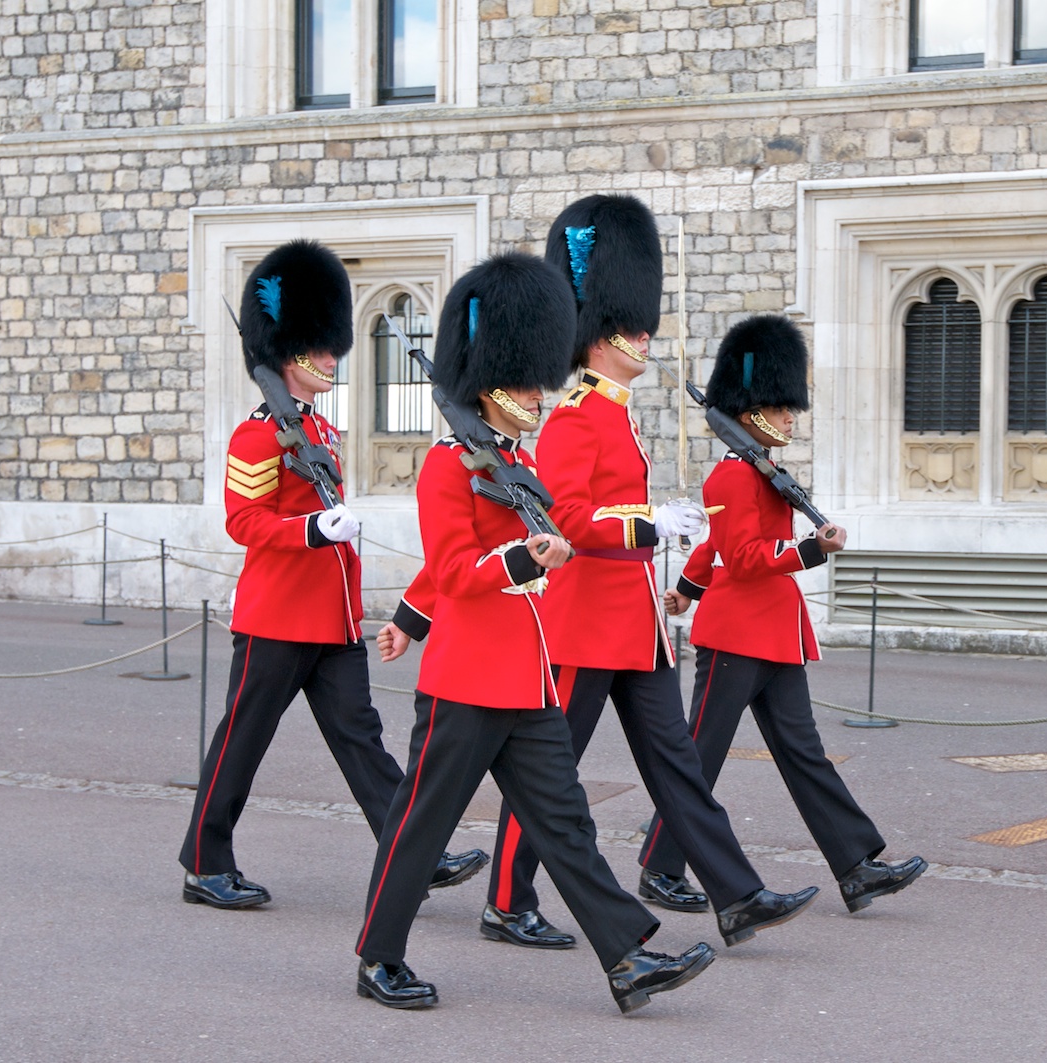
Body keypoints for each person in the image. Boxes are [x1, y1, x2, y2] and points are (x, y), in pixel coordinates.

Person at [353, 251, 714, 1014]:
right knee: (422, 825)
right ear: (487, 379)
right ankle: (378, 955)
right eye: (522, 380)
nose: (535, 392)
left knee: (567, 824)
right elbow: (452, 566)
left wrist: (410, 616)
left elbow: (470, 564)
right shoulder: (448, 464)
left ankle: (626, 957)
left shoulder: (513, 461)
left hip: (531, 675)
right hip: (468, 681)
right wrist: (523, 557)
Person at [481, 194, 818, 950]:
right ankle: (506, 898)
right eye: (630, 326)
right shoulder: (574, 416)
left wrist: (659, 526)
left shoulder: (617, 410)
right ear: (598, 334)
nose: (644, 334)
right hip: (583, 624)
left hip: (633, 625)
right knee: (550, 771)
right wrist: (648, 522)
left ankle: (738, 895)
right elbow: (565, 519)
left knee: (677, 767)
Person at [178, 239, 485, 910]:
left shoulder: (317, 429)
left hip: (331, 617)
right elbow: (244, 522)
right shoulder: (258, 435)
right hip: (277, 617)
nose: (330, 359)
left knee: (362, 736)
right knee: (243, 739)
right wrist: (312, 530)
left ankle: (413, 848)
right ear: (288, 354)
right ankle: (205, 858)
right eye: (319, 350)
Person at [647, 314, 927, 914]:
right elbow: (741, 555)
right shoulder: (730, 473)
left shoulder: (760, 469)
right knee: (701, 755)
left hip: (774, 633)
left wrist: (687, 589)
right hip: (737, 634)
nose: (790, 418)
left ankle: (856, 866)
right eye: (781, 409)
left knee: (805, 753)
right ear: (751, 413)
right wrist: (808, 550)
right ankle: (659, 866)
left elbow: (712, 548)